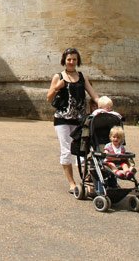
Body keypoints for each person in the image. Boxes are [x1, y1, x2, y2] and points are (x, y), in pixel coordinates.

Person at [46, 47, 99, 195]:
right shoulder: (58, 76)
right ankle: (72, 183)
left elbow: (93, 94)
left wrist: (104, 104)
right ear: (64, 60)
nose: (71, 62)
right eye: (69, 59)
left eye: (74, 59)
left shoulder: (82, 77)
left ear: (77, 61)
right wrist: (57, 87)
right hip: (62, 119)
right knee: (66, 151)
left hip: (79, 119)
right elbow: (49, 98)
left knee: (82, 151)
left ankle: (85, 182)